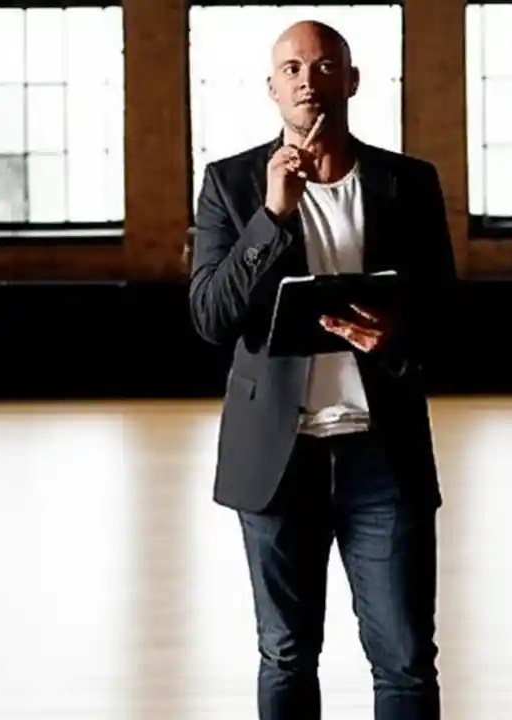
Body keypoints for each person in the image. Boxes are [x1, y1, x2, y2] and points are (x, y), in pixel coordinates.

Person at [188, 18, 456, 720]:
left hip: (382, 454)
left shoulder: (408, 182)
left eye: (325, 65)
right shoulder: (231, 183)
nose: (310, 79)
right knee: (285, 652)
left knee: (404, 660)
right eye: (293, 68)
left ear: (353, 80)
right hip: (277, 459)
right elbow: (211, 318)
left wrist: (396, 335)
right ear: (273, 87)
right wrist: (271, 217)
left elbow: (447, 319)